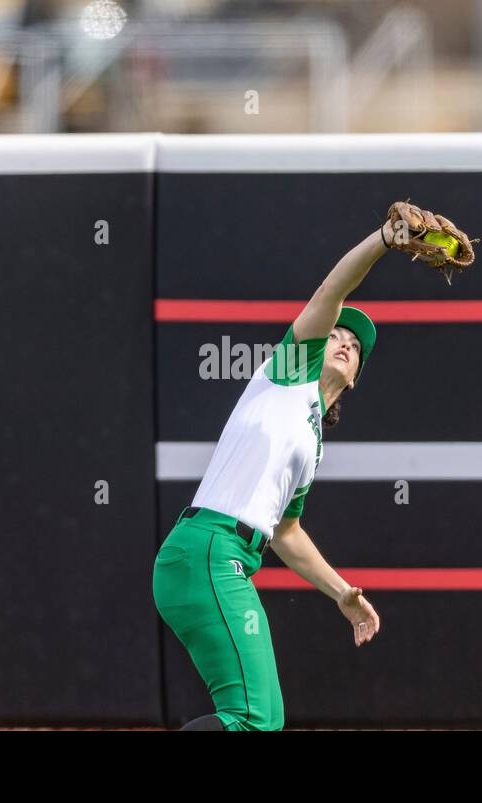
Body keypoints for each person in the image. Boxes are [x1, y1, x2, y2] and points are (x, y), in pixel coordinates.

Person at [152, 215, 402, 731]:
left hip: (223, 558)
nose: (344, 343)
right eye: (337, 334)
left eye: (355, 348)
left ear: (354, 380)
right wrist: (383, 240)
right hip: (208, 549)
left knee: (264, 720)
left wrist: (342, 595)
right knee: (254, 718)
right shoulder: (290, 375)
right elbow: (334, 287)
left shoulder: (311, 441)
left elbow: (286, 531)